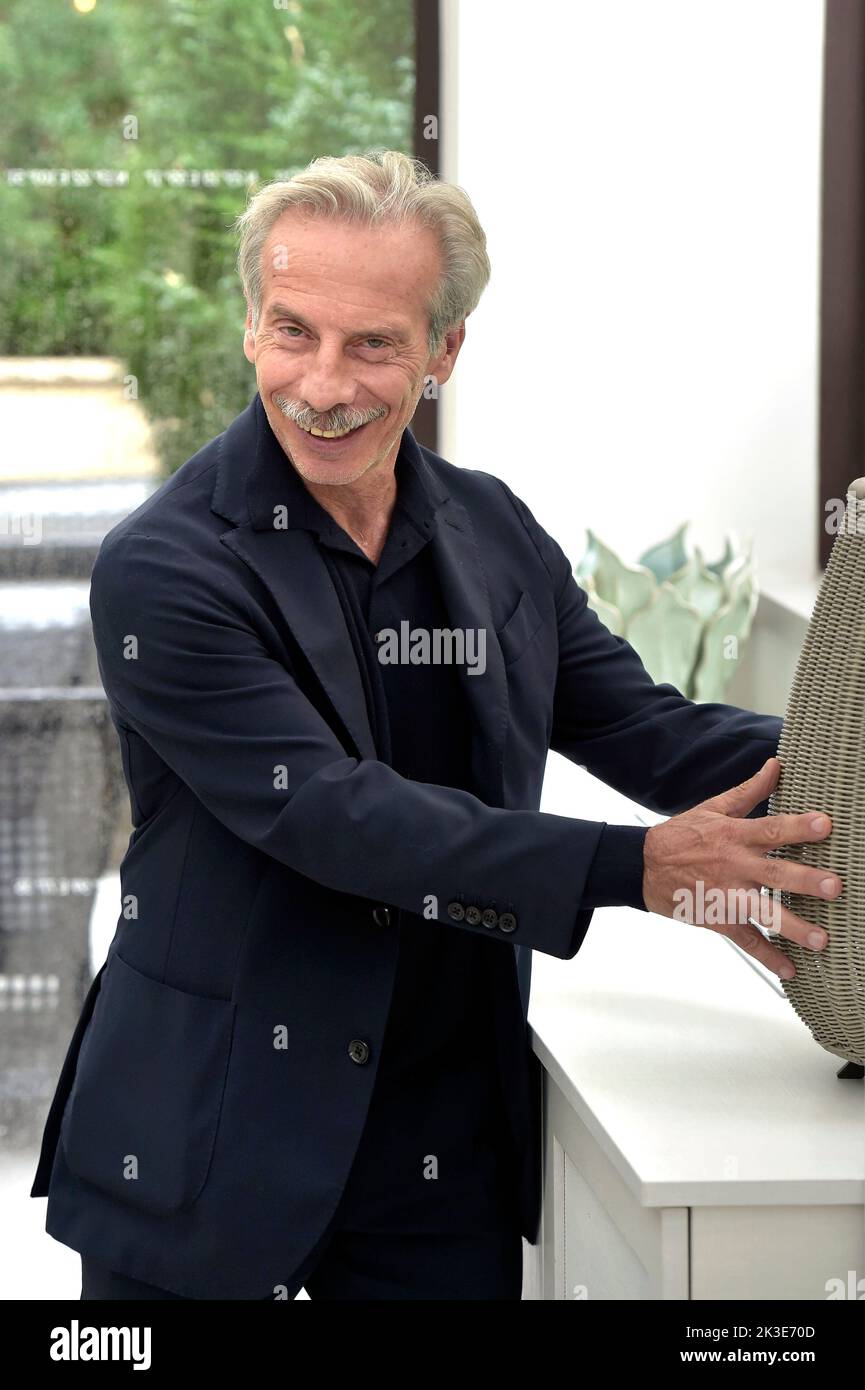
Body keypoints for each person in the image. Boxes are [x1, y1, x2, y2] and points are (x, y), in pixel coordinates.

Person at [30, 150, 839, 1301]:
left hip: (439, 1147)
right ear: (252, 328)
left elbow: (647, 727)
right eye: (295, 331)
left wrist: (841, 768)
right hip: (209, 1133)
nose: (324, 383)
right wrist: (642, 867)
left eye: (373, 344)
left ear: (444, 351)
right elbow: (333, 815)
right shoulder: (165, 566)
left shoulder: (491, 528)